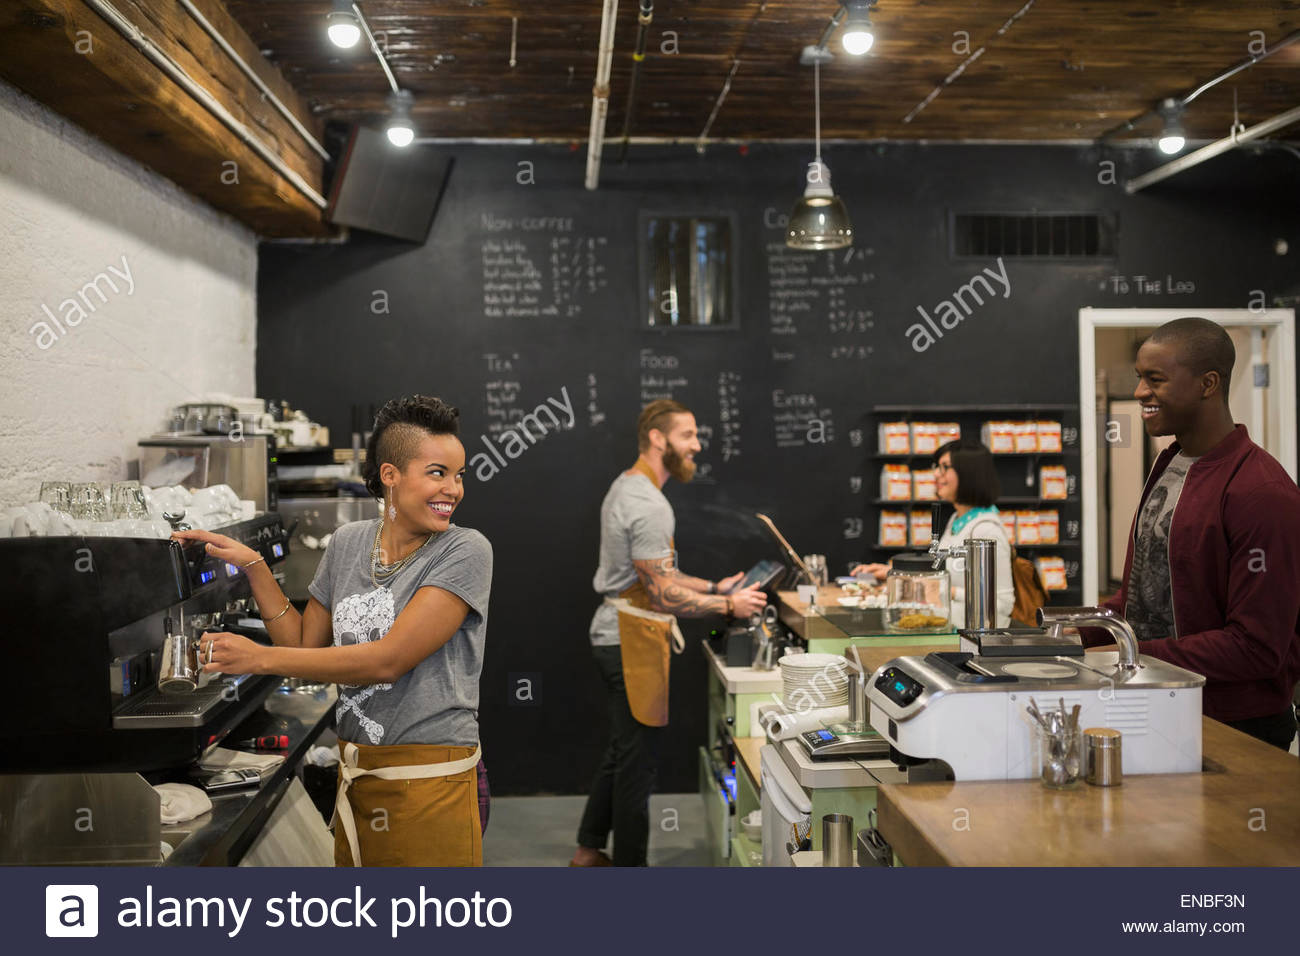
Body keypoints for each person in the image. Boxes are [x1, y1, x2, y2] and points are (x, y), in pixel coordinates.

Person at [174, 395, 492, 865]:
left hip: (431, 779)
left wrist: (257, 658)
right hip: (357, 774)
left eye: (458, 474)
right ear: (390, 475)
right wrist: (254, 566)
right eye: (437, 472)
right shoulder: (348, 543)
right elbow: (303, 646)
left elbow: (387, 661)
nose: (454, 489)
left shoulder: (464, 551)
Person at [571, 399, 766, 867]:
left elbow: (657, 575)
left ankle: (588, 849)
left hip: (617, 633)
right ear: (659, 439)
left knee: (623, 750)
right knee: (639, 766)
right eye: (688, 436)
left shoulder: (630, 486)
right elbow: (660, 594)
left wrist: (716, 584)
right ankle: (631, 868)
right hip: (628, 639)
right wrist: (727, 604)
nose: (697, 445)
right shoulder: (649, 504)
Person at [1092, 316, 1300, 750]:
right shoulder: (1169, 464)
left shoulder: (1262, 491)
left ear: (1208, 384)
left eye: (1155, 379)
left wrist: (1131, 655)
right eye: (1138, 378)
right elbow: (1140, 595)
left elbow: (1256, 647)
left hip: (1234, 729)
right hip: (1158, 704)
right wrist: (1061, 635)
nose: (1139, 393)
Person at [853, 439, 1014, 629]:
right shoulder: (957, 520)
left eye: (945, 467)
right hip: (945, 629)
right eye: (937, 467)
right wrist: (894, 573)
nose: (937, 474)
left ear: (970, 472)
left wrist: (946, 591)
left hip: (968, 639)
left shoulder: (986, 530)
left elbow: (1002, 605)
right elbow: (939, 571)